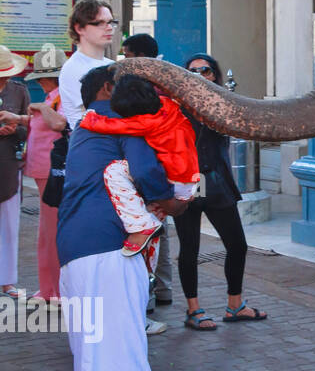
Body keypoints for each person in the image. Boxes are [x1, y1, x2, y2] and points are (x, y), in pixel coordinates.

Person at [56, 64, 184, 371]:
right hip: (111, 246)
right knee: (123, 346)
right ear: (111, 89)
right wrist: (172, 199)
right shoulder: (122, 122)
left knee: (92, 351)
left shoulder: (85, 130)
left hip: (74, 251)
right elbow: (147, 171)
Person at [173, 54, 265, 331]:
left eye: (206, 70)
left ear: (215, 74)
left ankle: (235, 305)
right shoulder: (176, 105)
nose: (201, 74)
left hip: (216, 181)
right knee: (190, 248)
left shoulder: (224, 102)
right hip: (189, 181)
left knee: (237, 244)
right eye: (193, 71)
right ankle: (194, 309)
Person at [79, 75, 200, 257]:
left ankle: (141, 228)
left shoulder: (144, 123)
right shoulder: (169, 106)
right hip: (190, 183)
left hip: (174, 180)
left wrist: (89, 118)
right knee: (154, 215)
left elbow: (113, 126)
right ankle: (147, 253)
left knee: (114, 171)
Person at [119, 31, 173, 305]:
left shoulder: (146, 87)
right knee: (159, 231)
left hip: (153, 172)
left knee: (148, 233)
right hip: (165, 172)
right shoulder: (169, 80)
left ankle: (147, 298)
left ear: (140, 56)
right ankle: (163, 289)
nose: (124, 60)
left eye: (127, 56)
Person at [21, 47, 67, 305]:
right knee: (46, 233)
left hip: (52, 172)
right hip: (43, 172)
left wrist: (38, 106)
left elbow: (59, 123)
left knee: (53, 232)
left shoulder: (60, 98)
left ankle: (56, 290)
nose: (39, 82)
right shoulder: (52, 97)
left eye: (42, 77)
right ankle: (48, 288)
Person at [0, 46, 30, 301]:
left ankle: (7, 281)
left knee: (10, 224)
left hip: (9, 163)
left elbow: (31, 127)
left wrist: (15, 128)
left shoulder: (19, 91)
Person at [59, 0, 116, 131]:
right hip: (92, 141)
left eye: (111, 22)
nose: (109, 28)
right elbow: (97, 113)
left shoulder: (111, 64)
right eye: (99, 23)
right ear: (79, 28)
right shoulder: (74, 67)